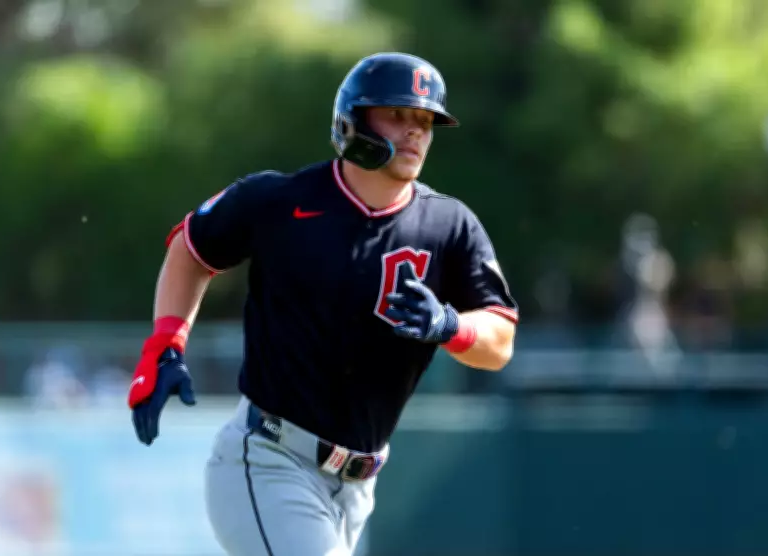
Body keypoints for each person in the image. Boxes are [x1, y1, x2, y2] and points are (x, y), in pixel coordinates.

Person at [127, 52, 518, 556]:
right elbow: (191, 248)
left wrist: (451, 327)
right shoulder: (281, 200)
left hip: (358, 485)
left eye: (425, 120)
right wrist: (167, 341)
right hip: (269, 459)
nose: (416, 131)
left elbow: (500, 340)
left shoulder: (451, 226)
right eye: (398, 115)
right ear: (353, 119)